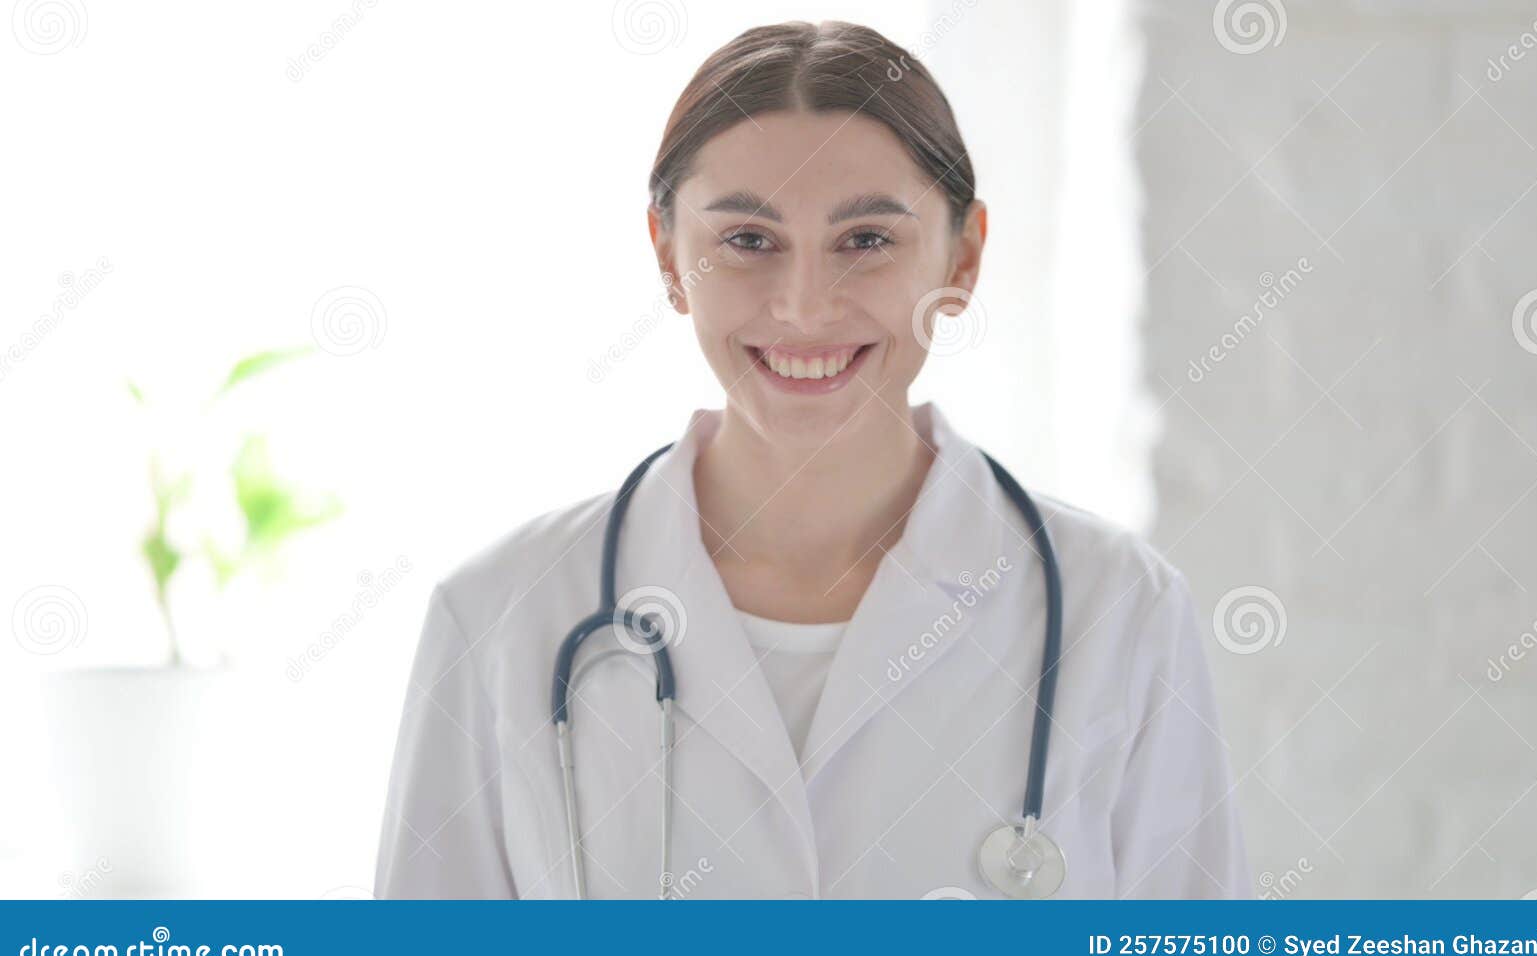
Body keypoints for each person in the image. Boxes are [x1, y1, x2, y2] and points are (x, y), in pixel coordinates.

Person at [374, 20, 1249, 899]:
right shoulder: (498, 619)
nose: (802, 308)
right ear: (668, 258)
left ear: (965, 258)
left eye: (866, 239)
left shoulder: (1119, 612)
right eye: (748, 241)